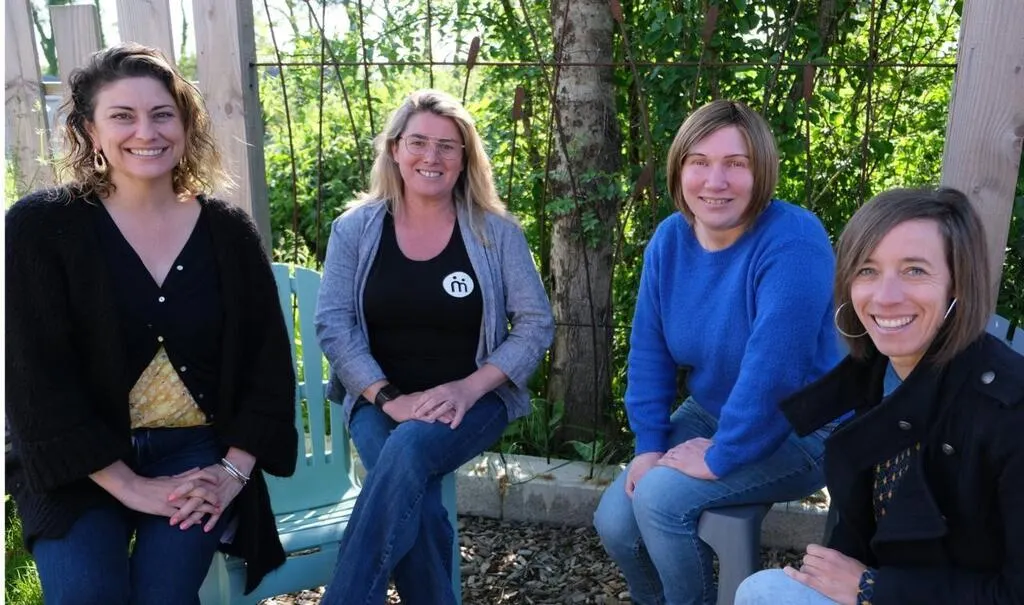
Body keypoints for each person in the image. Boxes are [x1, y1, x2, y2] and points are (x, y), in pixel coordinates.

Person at [5, 43, 298, 604]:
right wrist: (130, 486)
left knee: (164, 596)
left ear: (185, 125)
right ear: (90, 130)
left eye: (163, 114)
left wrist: (229, 475)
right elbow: (35, 382)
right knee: (88, 594)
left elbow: (267, 370)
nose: (148, 131)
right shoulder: (42, 228)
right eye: (123, 116)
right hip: (81, 466)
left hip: (195, 457)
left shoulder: (228, 232)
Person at [593, 99, 842, 605]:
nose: (716, 180)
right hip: (712, 410)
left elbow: (776, 369)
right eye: (699, 162)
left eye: (736, 163)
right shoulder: (669, 240)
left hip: (806, 425)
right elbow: (649, 353)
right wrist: (648, 446)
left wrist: (724, 455)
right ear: (679, 168)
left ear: (762, 171)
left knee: (661, 503)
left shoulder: (794, 241)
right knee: (615, 520)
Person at [314, 88, 553, 604]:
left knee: (410, 447)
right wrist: (387, 398)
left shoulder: (496, 234)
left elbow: (535, 324)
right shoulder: (354, 230)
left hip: (475, 402)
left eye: (448, 146)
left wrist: (468, 389)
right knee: (414, 494)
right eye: (418, 142)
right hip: (378, 400)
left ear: (465, 159)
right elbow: (333, 324)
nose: (432, 157)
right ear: (395, 149)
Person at [736, 187, 1024, 605]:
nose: (886, 297)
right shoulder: (875, 375)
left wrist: (871, 588)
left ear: (957, 284)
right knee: (763, 590)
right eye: (867, 270)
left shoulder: (1010, 411)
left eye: (914, 271)